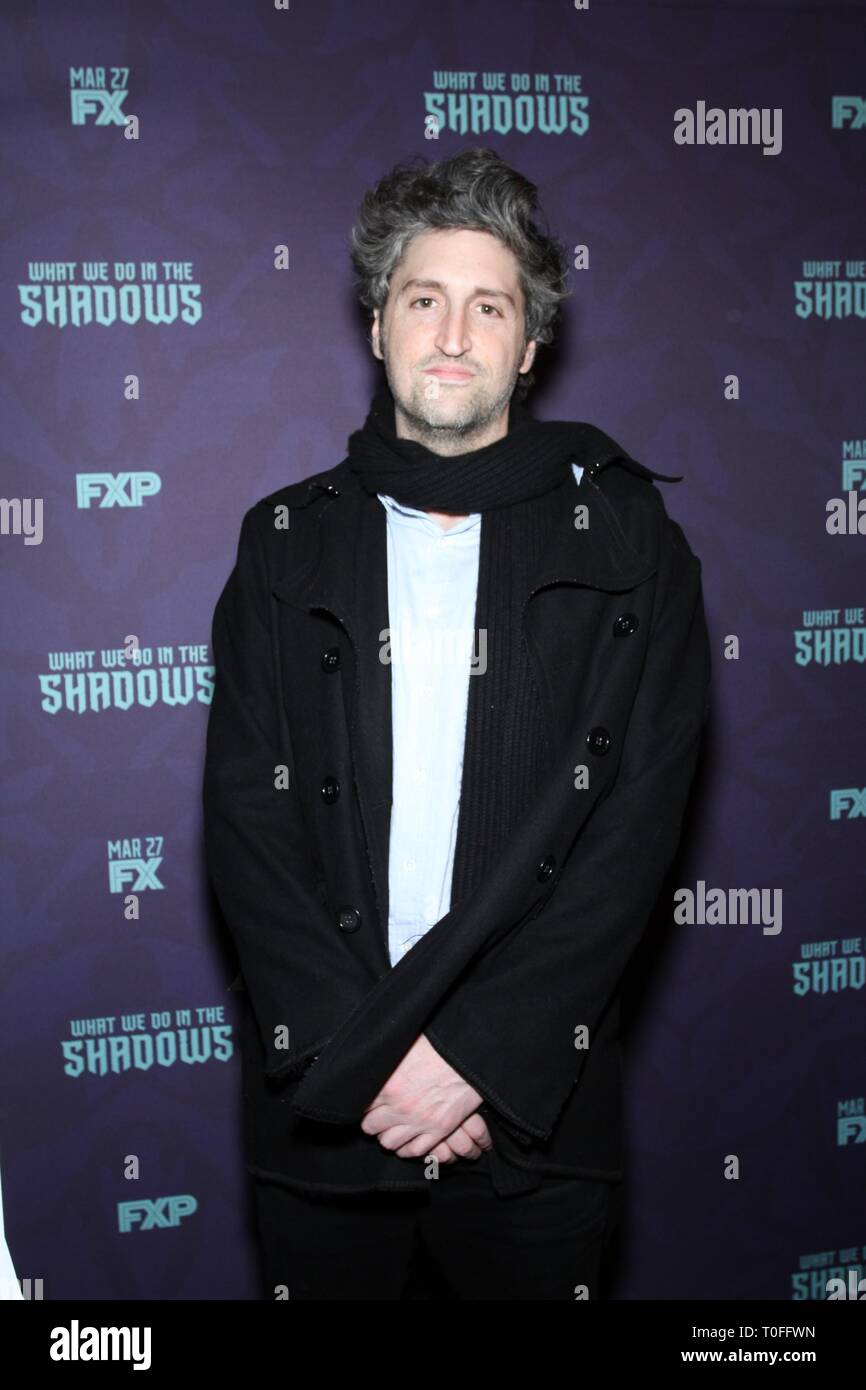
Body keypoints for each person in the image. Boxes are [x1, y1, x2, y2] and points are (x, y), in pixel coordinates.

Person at [202, 147, 711, 1300]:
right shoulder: (282, 543)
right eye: (422, 299)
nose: (450, 332)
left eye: (489, 306)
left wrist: (475, 1062)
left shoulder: (632, 548)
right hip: (328, 1116)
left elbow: (628, 843)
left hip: (531, 1123)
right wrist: (369, 1066)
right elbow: (246, 826)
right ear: (377, 327)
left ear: (529, 349)